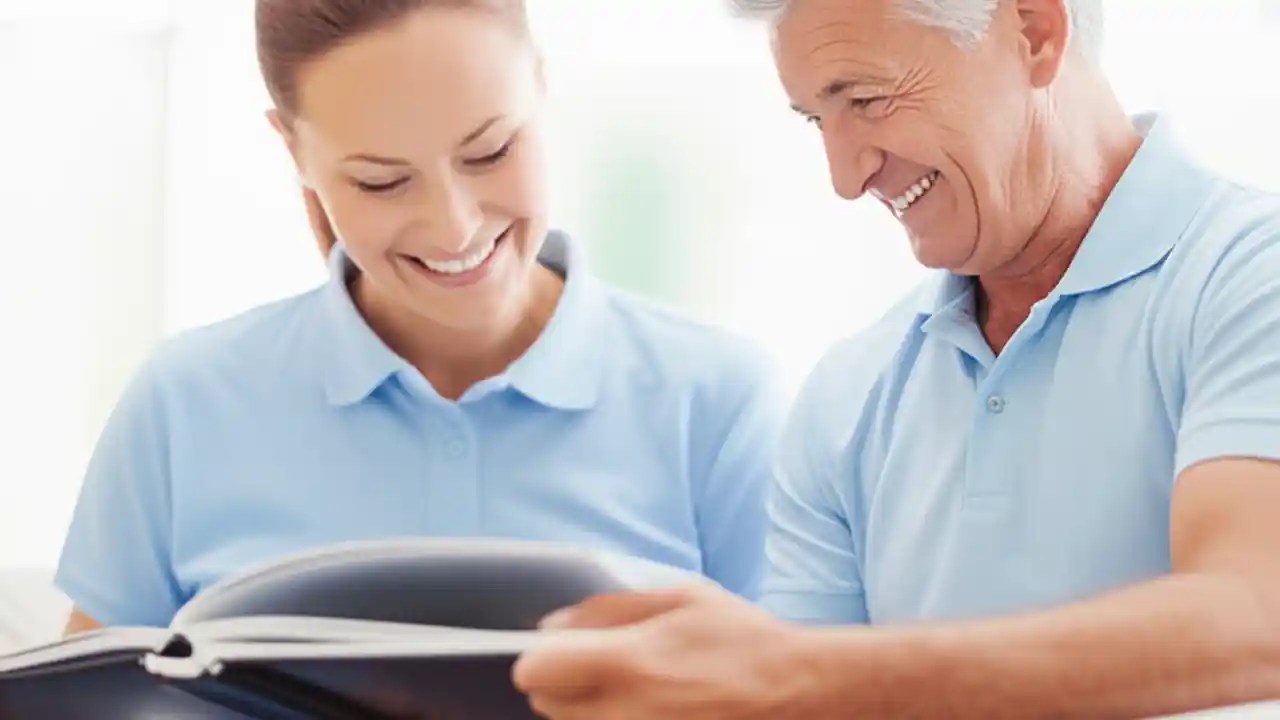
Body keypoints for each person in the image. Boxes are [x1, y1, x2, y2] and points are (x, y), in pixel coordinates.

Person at [513, 0, 1280, 716]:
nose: (845, 179)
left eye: (868, 100)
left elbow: (1258, 613)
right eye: (818, 118)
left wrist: (789, 669)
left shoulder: (1249, 277)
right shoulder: (850, 395)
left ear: (1035, 32)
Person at [56, 0, 783, 633]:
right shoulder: (185, 405)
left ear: (541, 82)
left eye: (491, 150)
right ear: (294, 151)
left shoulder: (715, 403)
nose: (454, 228)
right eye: (383, 180)